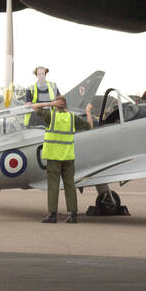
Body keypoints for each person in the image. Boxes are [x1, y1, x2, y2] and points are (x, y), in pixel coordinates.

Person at [35, 94, 87, 223]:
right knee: (70, 184)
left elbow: (35, 107)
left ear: (56, 105)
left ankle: (52, 215)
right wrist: (88, 111)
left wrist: (50, 104)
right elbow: (88, 126)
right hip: (68, 157)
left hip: (53, 157)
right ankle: (73, 215)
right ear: (65, 105)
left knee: (53, 185)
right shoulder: (72, 118)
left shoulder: (51, 116)